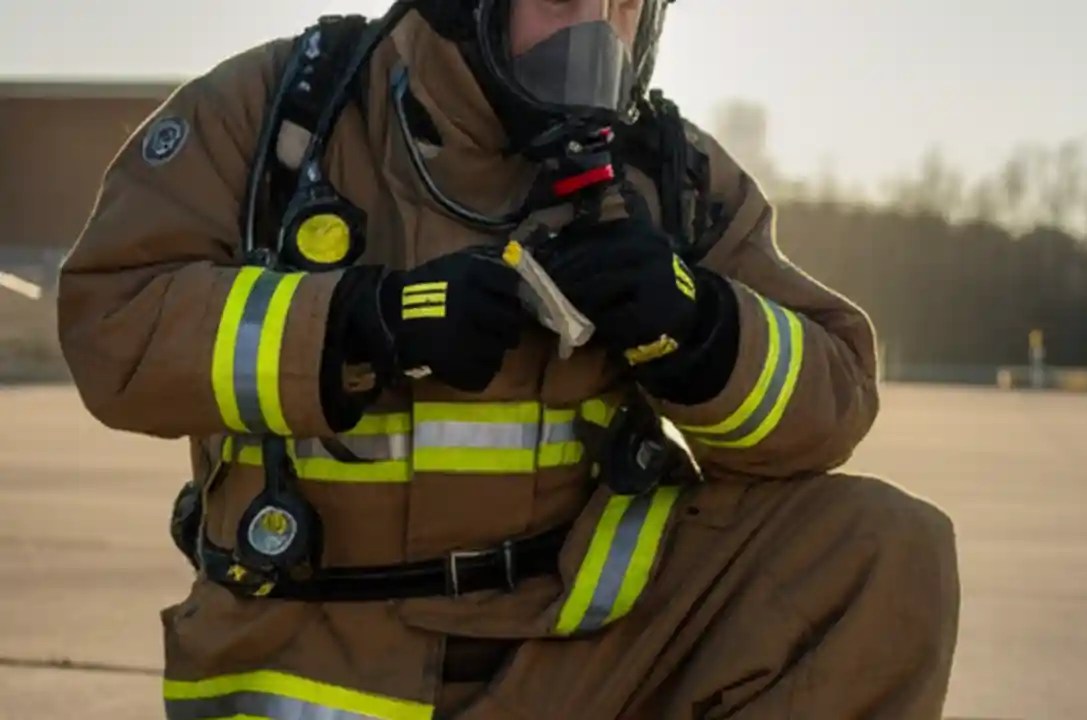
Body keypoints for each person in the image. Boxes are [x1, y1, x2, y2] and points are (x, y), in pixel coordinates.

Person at [57, 1, 959, 717]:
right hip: (320, 660)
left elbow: (836, 394)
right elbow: (111, 323)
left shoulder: (667, 175)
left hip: (579, 651)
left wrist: (703, 332)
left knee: (880, 547)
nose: (598, 37)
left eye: (624, 6)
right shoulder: (278, 112)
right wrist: (363, 325)